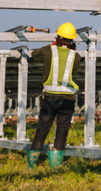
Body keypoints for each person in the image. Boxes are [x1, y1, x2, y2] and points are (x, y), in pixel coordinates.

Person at [27, 22, 83, 169]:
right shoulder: (76, 56)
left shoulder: (47, 51)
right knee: (62, 131)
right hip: (68, 100)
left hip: (50, 99)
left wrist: (53, 44)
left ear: (58, 37)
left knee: (42, 129)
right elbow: (75, 72)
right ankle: (55, 166)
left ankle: (32, 165)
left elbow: (33, 55)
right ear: (72, 40)